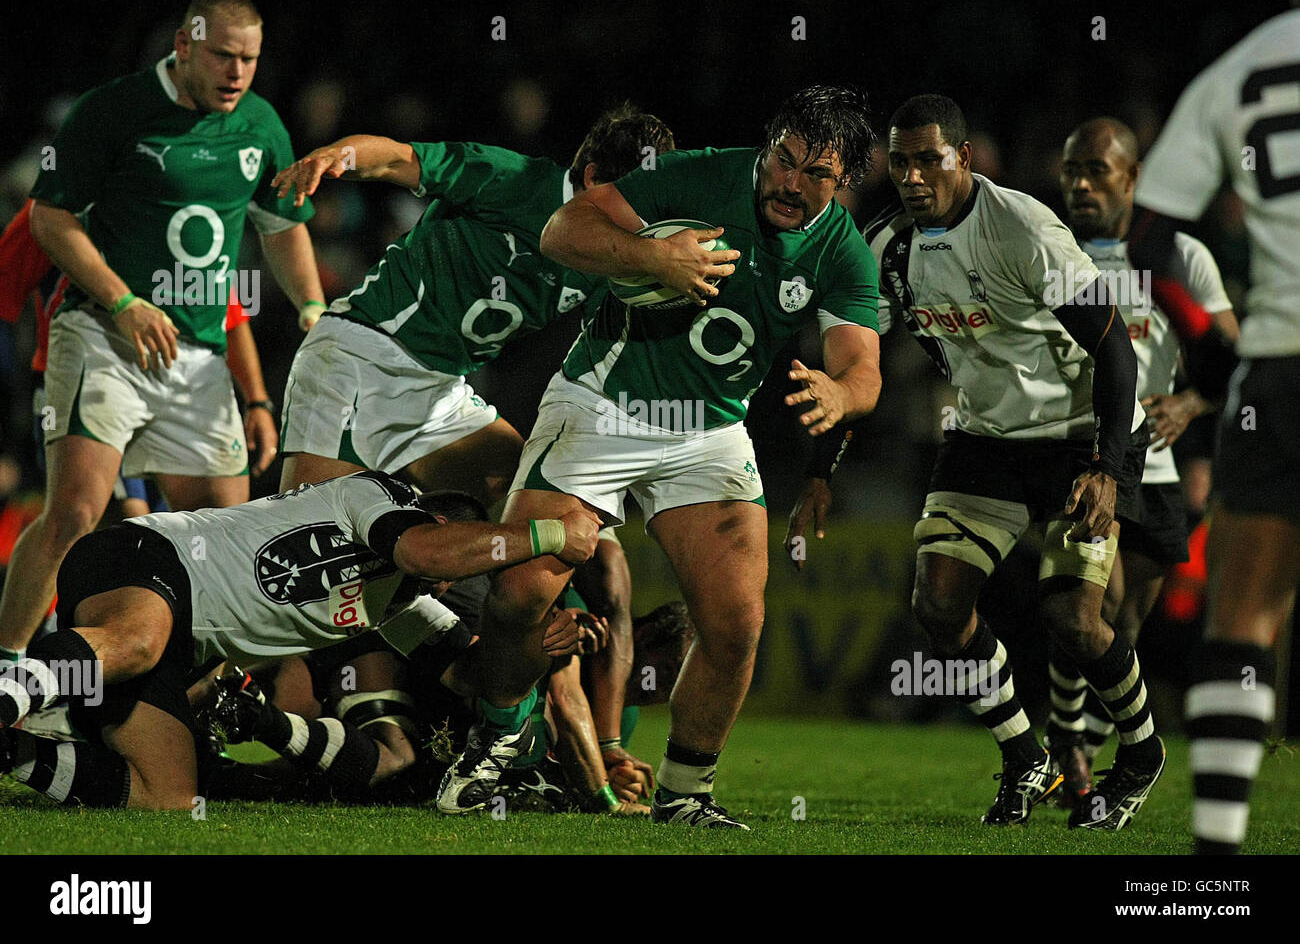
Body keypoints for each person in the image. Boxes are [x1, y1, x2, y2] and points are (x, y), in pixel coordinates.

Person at [438, 84, 883, 828]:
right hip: (601, 406)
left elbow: (861, 365)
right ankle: (498, 743)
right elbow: (562, 230)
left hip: (708, 432)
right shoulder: (701, 175)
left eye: (817, 176)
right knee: (517, 597)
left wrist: (843, 395)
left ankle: (684, 794)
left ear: (844, 186)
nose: (790, 183)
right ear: (767, 146)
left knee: (737, 622)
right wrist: (653, 258)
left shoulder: (842, 250)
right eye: (784, 160)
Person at [268, 104, 675, 789]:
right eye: (630, 201)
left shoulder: (622, 249)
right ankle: (183, 693)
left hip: (438, 393)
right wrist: (338, 155)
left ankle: (571, 739)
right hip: (358, 360)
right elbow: (397, 155)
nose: (639, 221)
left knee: (590, 550)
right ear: (591, 174)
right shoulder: (513, 180)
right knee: (293, 571)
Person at [795, 94, 1162, 830]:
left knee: (1074, 618)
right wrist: (820, 471)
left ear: (963, 157)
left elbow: (1114, 348)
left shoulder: (1021, 226)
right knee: (936, 602)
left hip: (1076, 435)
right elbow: (848, 372)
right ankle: (1025, 755)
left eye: (930, 158)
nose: (913, 175)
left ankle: (1143, 753)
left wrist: (1107, 468)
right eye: (900, 161)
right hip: (985, 438)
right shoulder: (886, 246)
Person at [0, 0, 326, 659]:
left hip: (198, 355)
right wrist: (124, 302)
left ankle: (187, 688)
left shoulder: (262, 125)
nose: (237, 74)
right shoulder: (111, 112)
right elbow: (48, 220)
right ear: (183, 46)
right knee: (76, 511)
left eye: (251, 60)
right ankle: (7, 665)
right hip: (101, 335)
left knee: (225, 532)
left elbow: (282, 229)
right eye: (223, 56)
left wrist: (312, 307)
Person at [0, 472, 599, 809]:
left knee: (171, 801)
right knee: (135, 641)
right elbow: (423, 548)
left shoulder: (402, 602)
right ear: (442, 521)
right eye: (465, 550)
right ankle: (12, 695)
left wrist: (535, 646)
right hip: (147, 555)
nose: (455, 578)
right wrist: (548, 532)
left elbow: (470, 676)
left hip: (174, 639)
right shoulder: (380, 496)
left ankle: (11, 751)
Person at [1127, 0, 1300, 854]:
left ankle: (1216, 871)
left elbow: (1148, 238)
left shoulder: (1240, 68)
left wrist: (1212, 362)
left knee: (1241, 618)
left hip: (1279, 363)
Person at [1044, 117, 1237, 805]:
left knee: (1121, 629)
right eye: (1071, 170)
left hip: (1158, 468)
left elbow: (1228, 360)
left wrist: (1189, 404)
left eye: (1097, 170)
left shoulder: (1176, 254)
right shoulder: (1052, 248)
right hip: (1088, 457)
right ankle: (1071, 748)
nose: (1081, 184)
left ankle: (1078, 750)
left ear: (1132, 176)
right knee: (1086, 608)